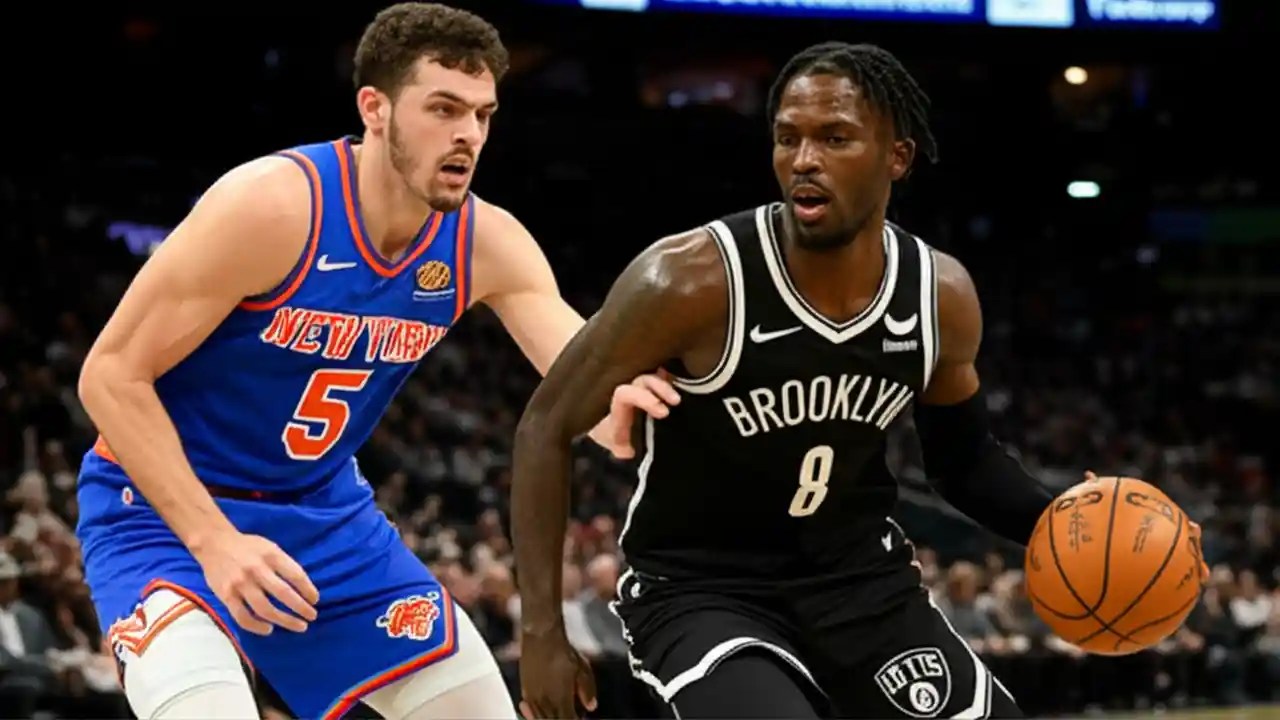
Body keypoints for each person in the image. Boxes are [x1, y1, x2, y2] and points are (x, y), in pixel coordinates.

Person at [74, 4, 676, 719]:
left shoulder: (487, 241)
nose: (468, 135)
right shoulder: (271, 207)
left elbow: (586, 381)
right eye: (444, 109)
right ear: (376, 108)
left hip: (326, 516)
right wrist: (214, 540)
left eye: (483, 115)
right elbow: (108, 375)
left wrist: (627, 411)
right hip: (166, 516)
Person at [512, 41, 1061, 719]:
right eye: (788, 138)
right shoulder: (689, 280)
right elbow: (545, 425)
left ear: (898, 158)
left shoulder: (939, 294)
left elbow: (964, 462)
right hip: (705, 592)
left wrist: (1059, 521)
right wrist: (541, 631)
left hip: (861, 586)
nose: (804, 160)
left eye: (835, 138)